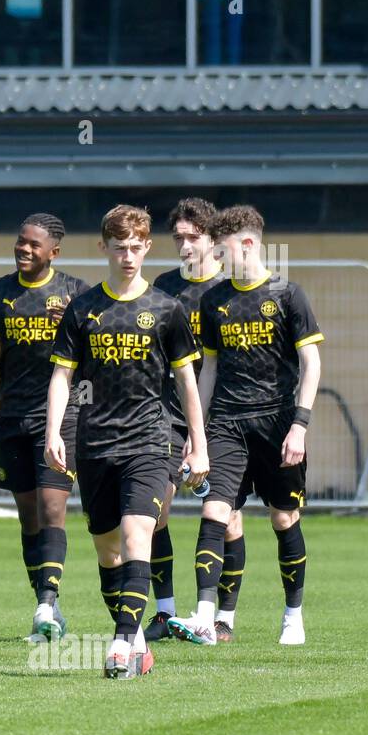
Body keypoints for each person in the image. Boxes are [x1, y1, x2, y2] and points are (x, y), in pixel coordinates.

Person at [45, 205, 208, 679]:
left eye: (137, 248)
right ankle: (135, 637)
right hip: (95, 443)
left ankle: (119, 645)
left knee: (139, 534)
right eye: (120, 248)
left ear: (147, 248)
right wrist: (54, 430)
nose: (129, 256)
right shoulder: (83, 308)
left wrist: (198, 444)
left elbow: (188, 384)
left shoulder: (166, 309)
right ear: (104, 248)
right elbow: (61, 375)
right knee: (107, 549)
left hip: (149, 440)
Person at [167, 205, 323, 647]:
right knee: (215, 510)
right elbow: (209, 371)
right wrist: (199, 435)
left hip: (277, 425)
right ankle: (204, 616)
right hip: (228, 425)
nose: (216, 256)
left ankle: (293, 615)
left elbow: (311, 364)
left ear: (248, 245)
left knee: (283, 517)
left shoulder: (289, 295)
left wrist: (300, 425)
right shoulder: (215, 301)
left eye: (223, 249)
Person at [0, 214, 87, 641]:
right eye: (20, 241)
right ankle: (48, 607)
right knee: (29, 516)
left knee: (53, 507)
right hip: (12, 418)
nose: (24, 250)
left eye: (34, 245)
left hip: (60, 418)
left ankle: (45, 604)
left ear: (54, 252)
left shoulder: (75, 294)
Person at [147, 198, 245, 641]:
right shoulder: (163, 287)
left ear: (212, 240)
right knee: (156, 509)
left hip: (221, 411)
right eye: (179, 238)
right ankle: (165, 612)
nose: (185, 246)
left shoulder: (228, 290)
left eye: (193, 237)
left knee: (227, 516)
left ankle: (223, 618)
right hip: (168, 412)